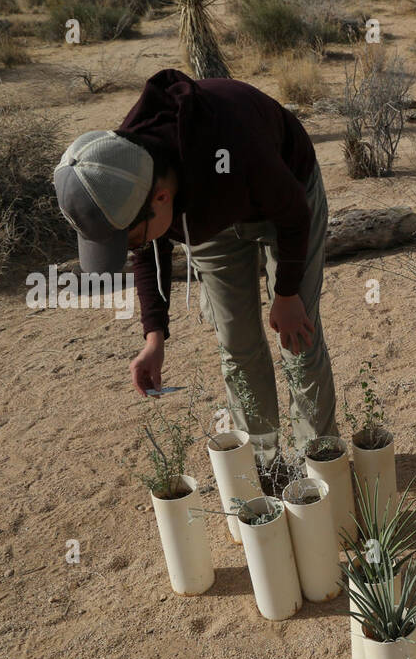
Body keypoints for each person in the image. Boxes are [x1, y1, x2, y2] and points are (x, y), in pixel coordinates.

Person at [53, 69, 337, 463]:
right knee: (238, 348)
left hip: (284, 191)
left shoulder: (234, 144)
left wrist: (287, 294)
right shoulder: (120, 170)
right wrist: (155, 336)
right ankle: (266, 464)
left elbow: (292, 212)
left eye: (133, 236)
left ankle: (320, 464)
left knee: (298, 341)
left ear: (162, 197)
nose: (134, 246)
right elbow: (145, 250)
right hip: (207, 218)